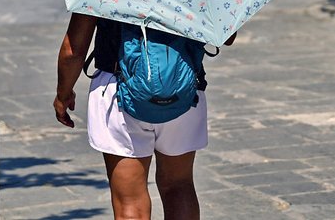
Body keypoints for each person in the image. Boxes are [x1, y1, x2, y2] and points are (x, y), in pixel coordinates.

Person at [55, 15, 237, 220]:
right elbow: (227, 35)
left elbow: (73, 50)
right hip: (183, 90)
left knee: (129, 201)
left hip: (118, 89)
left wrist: (63, 94)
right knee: (179, 186)